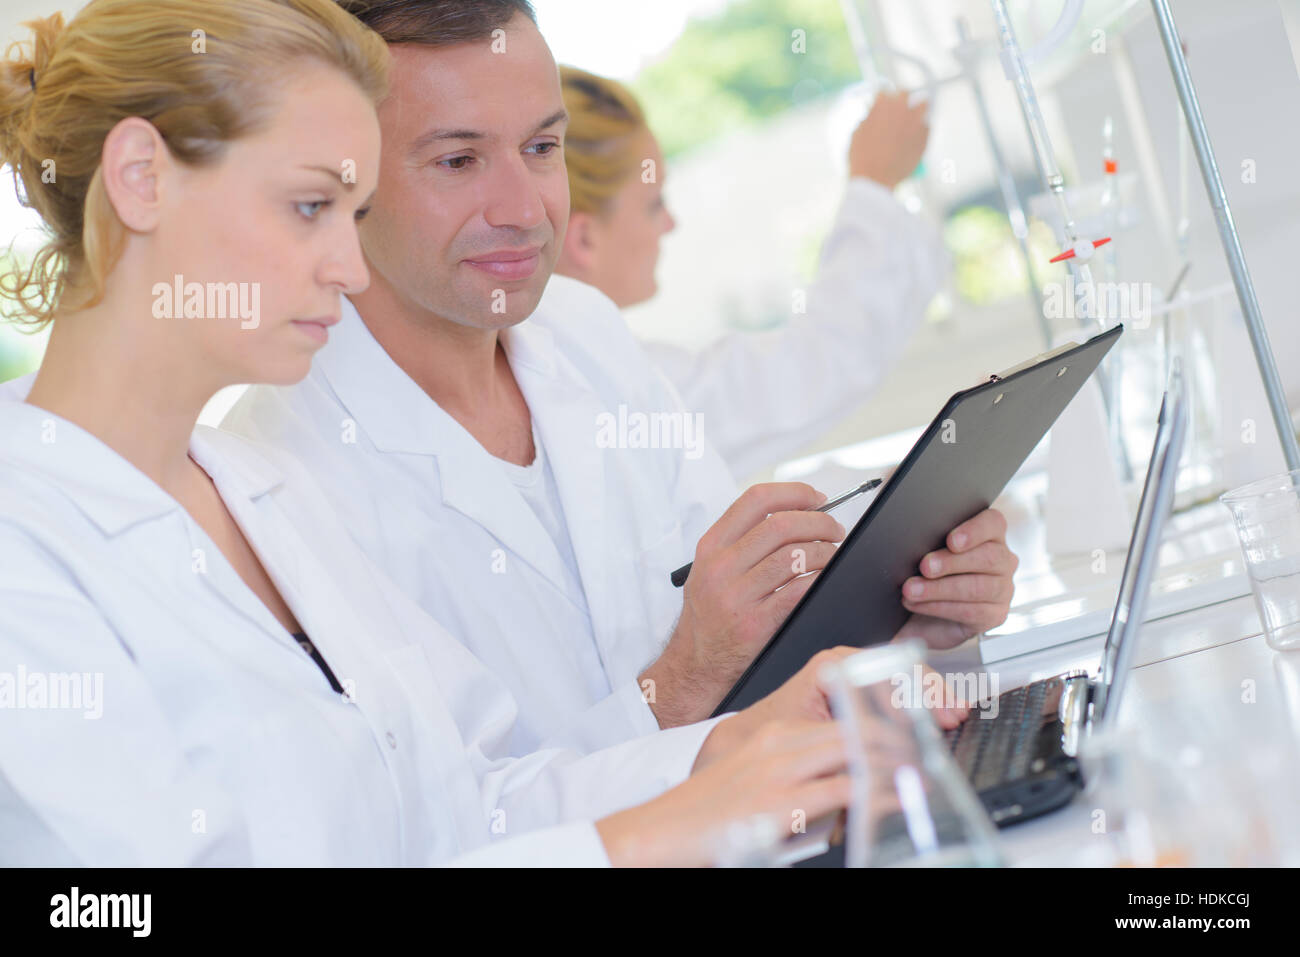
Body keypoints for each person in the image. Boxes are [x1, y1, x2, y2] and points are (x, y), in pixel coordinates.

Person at [0, 0, 872, 868]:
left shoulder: (250, 487)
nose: (348, 267)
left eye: (354, 210)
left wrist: (737, 749)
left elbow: (469, 804)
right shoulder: (24, 537)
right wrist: (646, 838)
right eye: (310, 206)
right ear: (142, 179)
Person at [223, 0, 1014, 757]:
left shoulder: (583, 332)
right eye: (458, 160)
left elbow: (757, 665)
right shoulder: (278, 480)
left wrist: (913, 633)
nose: (524, 208)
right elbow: (446, 827)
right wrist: (681, 678)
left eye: (541, 148)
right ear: (340, 183)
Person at [556, 66, 946, 479]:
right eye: (654, 203)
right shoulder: (602, 386)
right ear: (584, 240)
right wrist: (874, 183)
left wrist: (895, 495)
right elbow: (809, 370)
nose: (670, 224)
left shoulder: (581, 366)